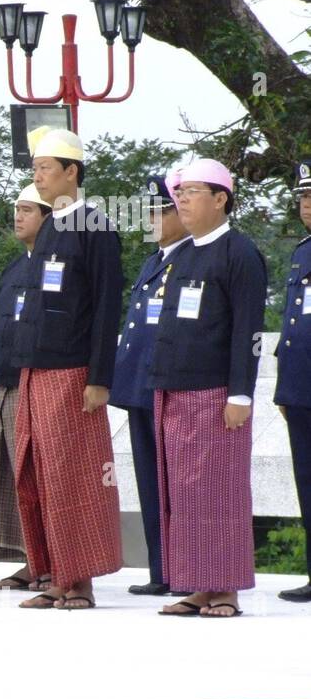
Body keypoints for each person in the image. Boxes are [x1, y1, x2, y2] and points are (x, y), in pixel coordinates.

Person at [10, 127, 124, 611]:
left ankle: (80, 580)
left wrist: (99, 377)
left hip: (73, 370)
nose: (37, 178)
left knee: (71, 474)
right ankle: (52, 571)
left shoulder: (96, 227)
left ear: (71, 172)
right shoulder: (50, 226)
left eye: (45, 169)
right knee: (36, 471)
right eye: (34, 169)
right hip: (35, 368)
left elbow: (105, 307)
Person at [152, 160, 266, 618]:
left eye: (194, 191)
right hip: (173, 387)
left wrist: (241, 394)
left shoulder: (239, 253)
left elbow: (248, 330)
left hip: (217, 391)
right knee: (181, 492)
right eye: (181, 192)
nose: (182, 199)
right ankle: (197, 582)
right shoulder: (182, 253)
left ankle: (226, 588)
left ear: (221, 198)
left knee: (218, 489)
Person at [109, 177, 188, 596]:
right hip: (139, 384)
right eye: (150, 212)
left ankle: (183, 569)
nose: (154, 220)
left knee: (176, 481)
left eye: (162, 211)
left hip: (167, 383)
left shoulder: (190, 258)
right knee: (149, 480)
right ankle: (161, 569)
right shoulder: (153, 260)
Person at [0, 185, 50, 591]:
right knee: (12, 479)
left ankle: (52, 562)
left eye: (27, 210)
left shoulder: (54, 263)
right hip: (7, 387)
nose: (18, 217)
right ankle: (30, 561)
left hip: (39, 383)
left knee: (41, 475)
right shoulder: (13, 269)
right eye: (16, 209)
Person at [275, 158, 311, 603]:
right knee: (307, 481)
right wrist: (285, 387)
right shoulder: (302, 251)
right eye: (303, 198)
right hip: (301, 388)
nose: (307, 205)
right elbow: (292, 326)